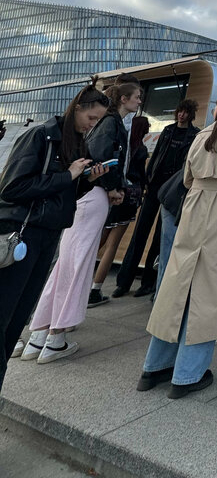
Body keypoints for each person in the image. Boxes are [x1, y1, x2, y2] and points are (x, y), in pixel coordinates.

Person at [137, 91, 217, 398]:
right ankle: (187, 374)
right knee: (210, 291)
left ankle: (154, 366)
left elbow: (188, 178)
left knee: (176, 285)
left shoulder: (201, 136)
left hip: (194, 207)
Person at [21, 79, 141, 363]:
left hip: (83, 198)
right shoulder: (111, 124)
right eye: (137, 96)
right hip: (92, 198)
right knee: (78, 265)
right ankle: (55, 337)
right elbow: (99, 160)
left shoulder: (81, 129)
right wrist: (112, 187)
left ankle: (40, 335)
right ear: (123, 99)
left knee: (67, 264)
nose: (139, 101)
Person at [0, 81, 109, 389]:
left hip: (48, 234)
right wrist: (68, 175)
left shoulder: (77, 144)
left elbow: (62, 194)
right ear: (78, 108)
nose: (93, 125)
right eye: (91, 118)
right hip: (23, 234)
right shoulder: (41, 136)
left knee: (19, 315)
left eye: (98, 121)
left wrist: (86, 181)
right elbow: (12, 188)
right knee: (6, 312)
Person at [110, 99, 199, 300]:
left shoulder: (194, 135)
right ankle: (124, 282)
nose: (181, 115)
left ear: (190, 114)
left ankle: (148, 282)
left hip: (173, 190)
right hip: (155, 186)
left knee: (161, 237)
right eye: (179, 111)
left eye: (185, 112)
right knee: (140, 232)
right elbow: (157, 155)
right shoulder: (167, 131)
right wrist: (147, 180)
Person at [88, 112, 149, 306]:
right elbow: (142, 175)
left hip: (112, 192)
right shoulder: (141, 149)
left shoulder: (121, 144)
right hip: (129, 197)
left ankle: (79, 282)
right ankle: (95, 290)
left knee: (97, 242)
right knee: (112, 245)